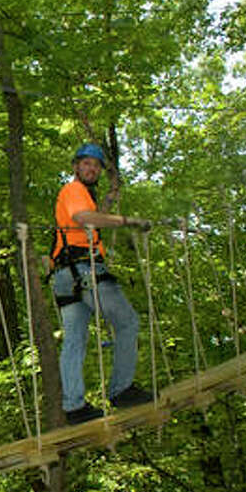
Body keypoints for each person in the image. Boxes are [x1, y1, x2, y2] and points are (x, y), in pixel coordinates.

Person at [51, 143, 153, 425]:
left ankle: (73, 407)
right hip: (85, 270)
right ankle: (121, 390)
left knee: (74, 341)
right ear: (76, 167)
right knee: (127, 322)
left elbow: (91, 218)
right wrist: (127, 220)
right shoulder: (72, 190)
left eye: (95, 166)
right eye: (86, 164)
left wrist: (108, 199)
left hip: (66, 275)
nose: (91, 169)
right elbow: (84, 218)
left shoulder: (82, 195)